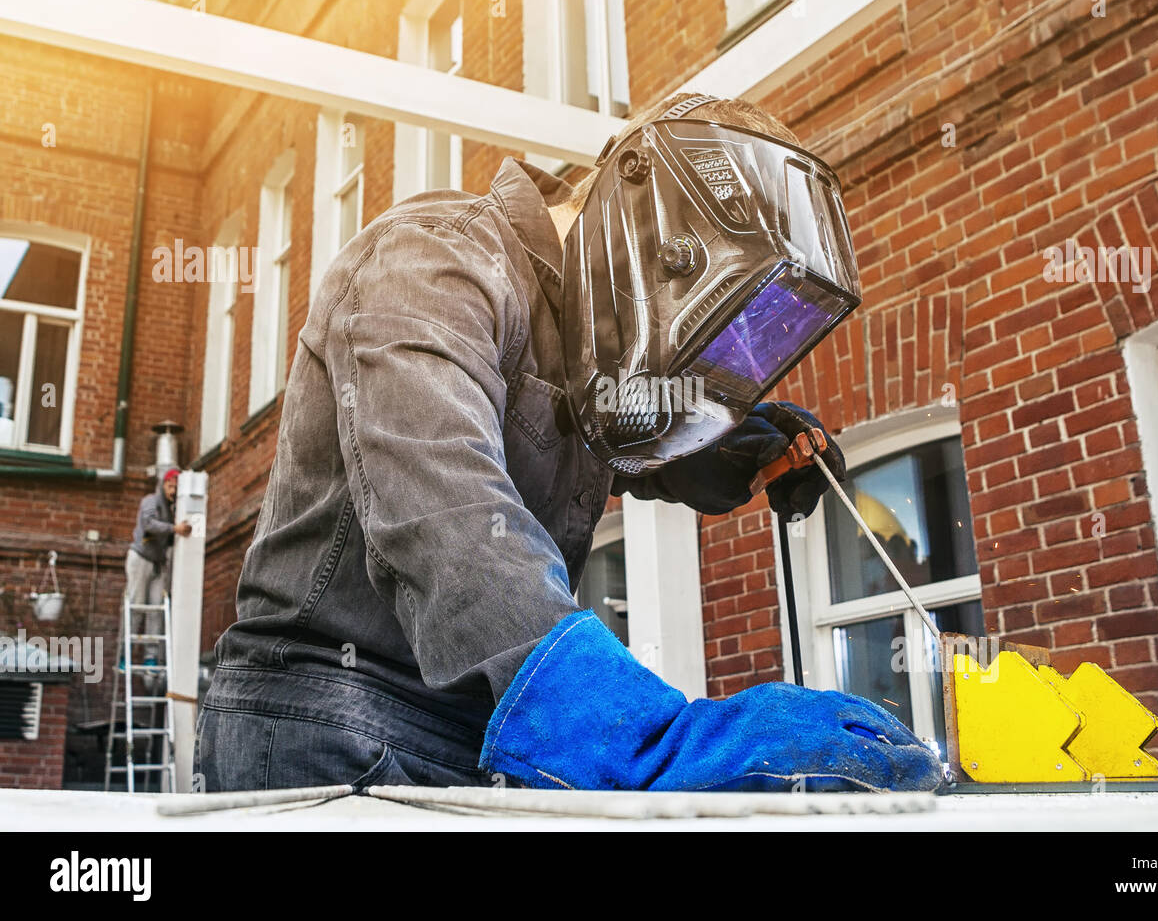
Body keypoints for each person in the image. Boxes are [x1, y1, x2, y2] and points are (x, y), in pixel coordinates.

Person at [197, 92, 943, 793]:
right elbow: (449, 520)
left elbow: (599, 435)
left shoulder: (587, 332)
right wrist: (645, 741)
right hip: (331, 721)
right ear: (648, 221)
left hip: (473, 733)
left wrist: (734, 447)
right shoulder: (429, 265)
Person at [125, 467, 190, 665]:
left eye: (176, 487)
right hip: (141, 558)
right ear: (163, 485)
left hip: (158, 563)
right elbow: (148, 524)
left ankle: (151, 657)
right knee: (137, 605)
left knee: (156, 610)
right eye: (170, 486)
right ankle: (125, 652)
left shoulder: (174, 510)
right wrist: (174, 529)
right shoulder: (151, 501)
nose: (173, 490)